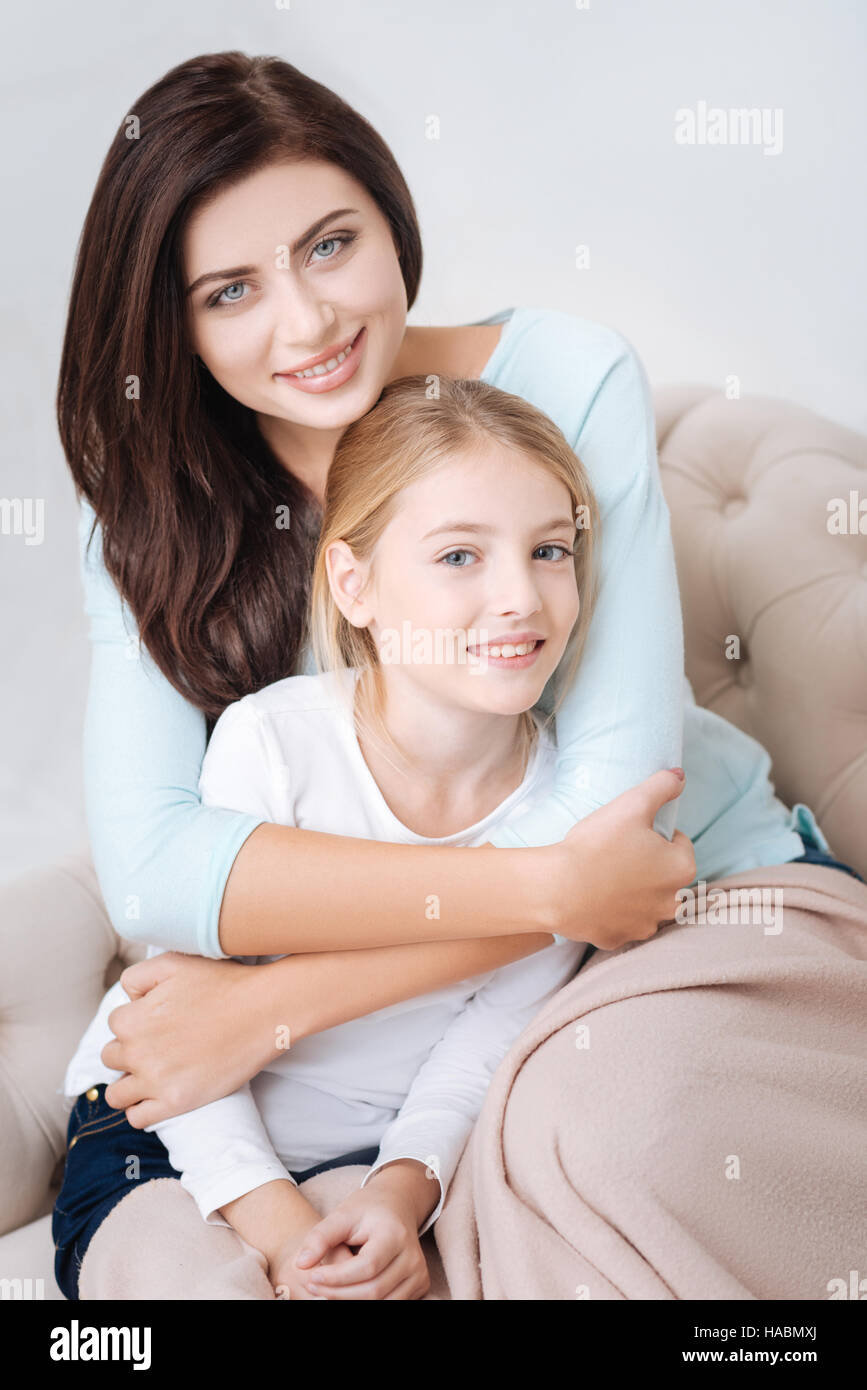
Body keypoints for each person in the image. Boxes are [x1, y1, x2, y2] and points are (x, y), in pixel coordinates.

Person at [47, 50, 856, 1299]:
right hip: (471, 992)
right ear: (171, 322)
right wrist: (552, 886)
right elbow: (159, 875)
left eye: (330, 245)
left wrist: (270, 1007)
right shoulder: (155, 521)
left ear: (390, 214)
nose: (307, 322)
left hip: (696, 904)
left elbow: (615, 825)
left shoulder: (564, 376)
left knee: (616, 1131)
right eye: (231, 292)